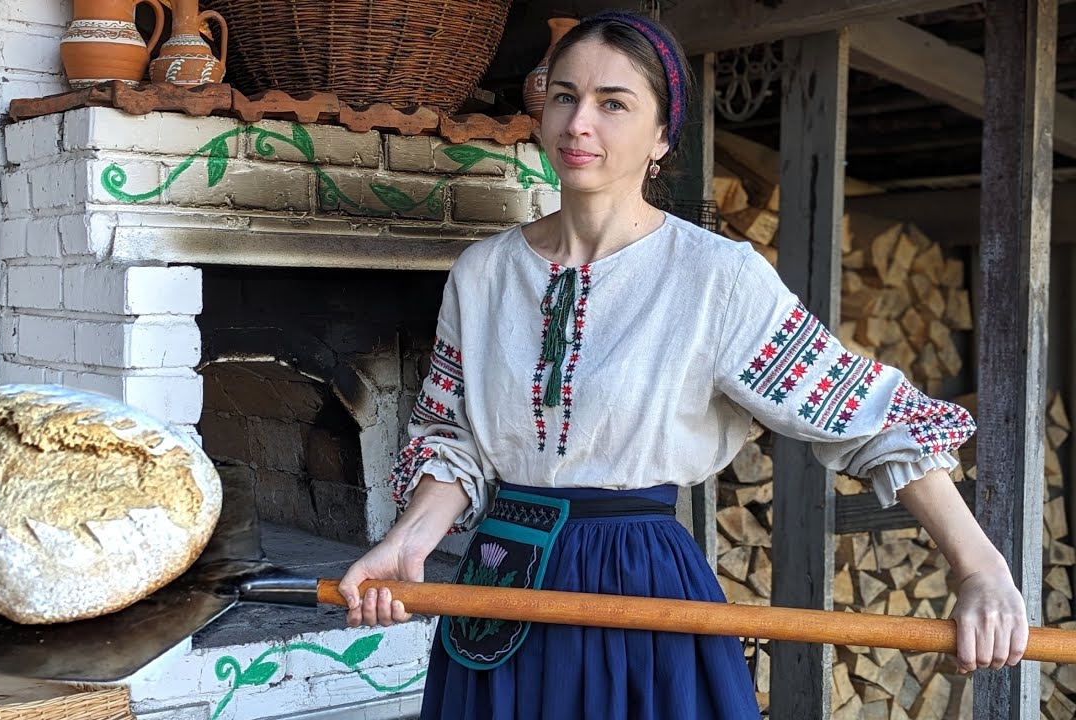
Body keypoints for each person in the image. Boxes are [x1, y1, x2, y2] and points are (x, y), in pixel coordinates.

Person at [339, 10, 1028, 719]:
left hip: (636, 583)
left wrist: (981, 570)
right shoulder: (482, 274)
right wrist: (406, 542)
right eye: (566, 96)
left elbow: (868, 415)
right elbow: (453, 436)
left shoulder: (715, 278)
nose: (579, 123)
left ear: (663, 137)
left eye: (614, 104)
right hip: (498, 586)